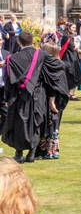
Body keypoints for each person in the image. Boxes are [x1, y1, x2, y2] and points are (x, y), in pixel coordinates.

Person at [1, 32, 56, 163]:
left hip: (18, 96)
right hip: (38, 95)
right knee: (36, 122)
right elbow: (52, 73)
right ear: (32, 41)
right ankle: (31, 154)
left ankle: (19, 154)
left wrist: (7, 98)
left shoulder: (12, 59)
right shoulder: (42, 55)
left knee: (18, 123)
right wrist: (52, 95)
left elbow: (8, 81)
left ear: (19, 42)